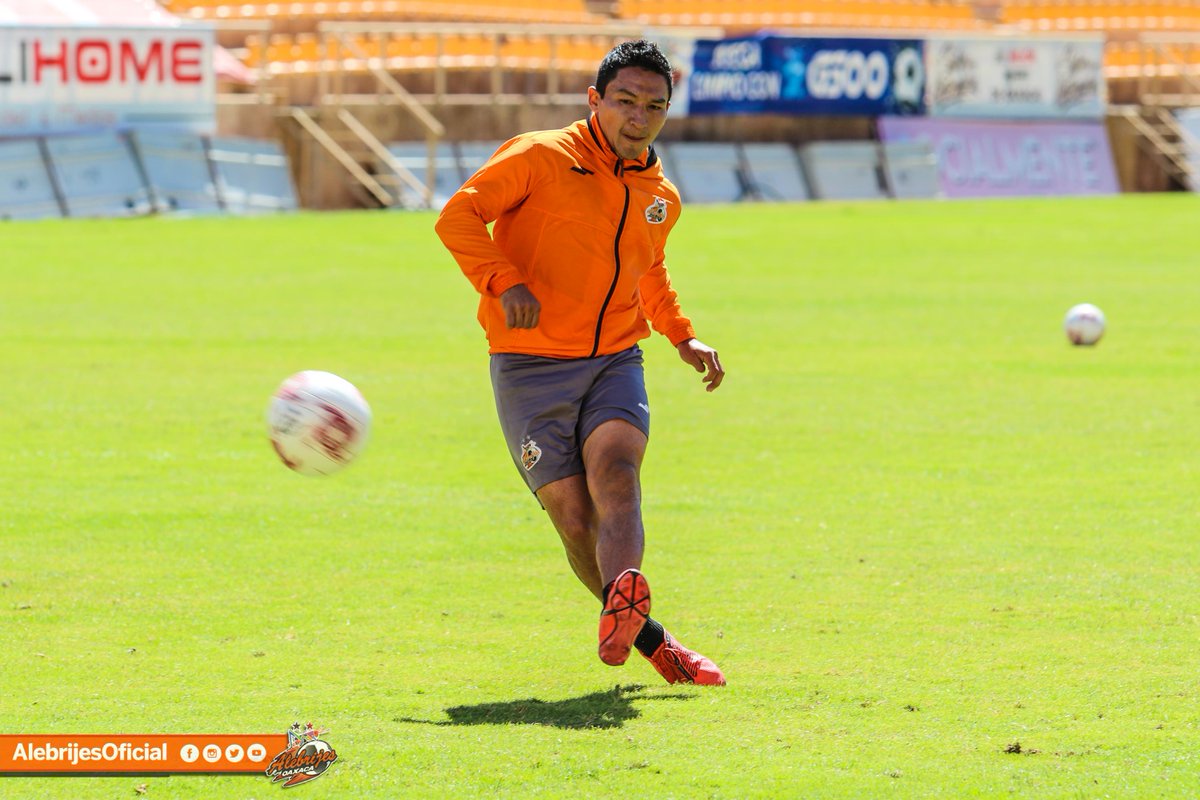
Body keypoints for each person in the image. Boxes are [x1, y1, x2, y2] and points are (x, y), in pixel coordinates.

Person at [434, 39, 725, 686]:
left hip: (615, 358)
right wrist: (503, 281)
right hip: (528, 367)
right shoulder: (538, 156)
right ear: (595, 100)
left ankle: (626, 604)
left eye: (654, 105)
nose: (638, 116)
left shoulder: (661, 196)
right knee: (573, 519)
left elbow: (648, 270)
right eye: (625, 101)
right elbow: (458, 217)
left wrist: (680, 335)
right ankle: (653, 639)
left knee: (617, 472)